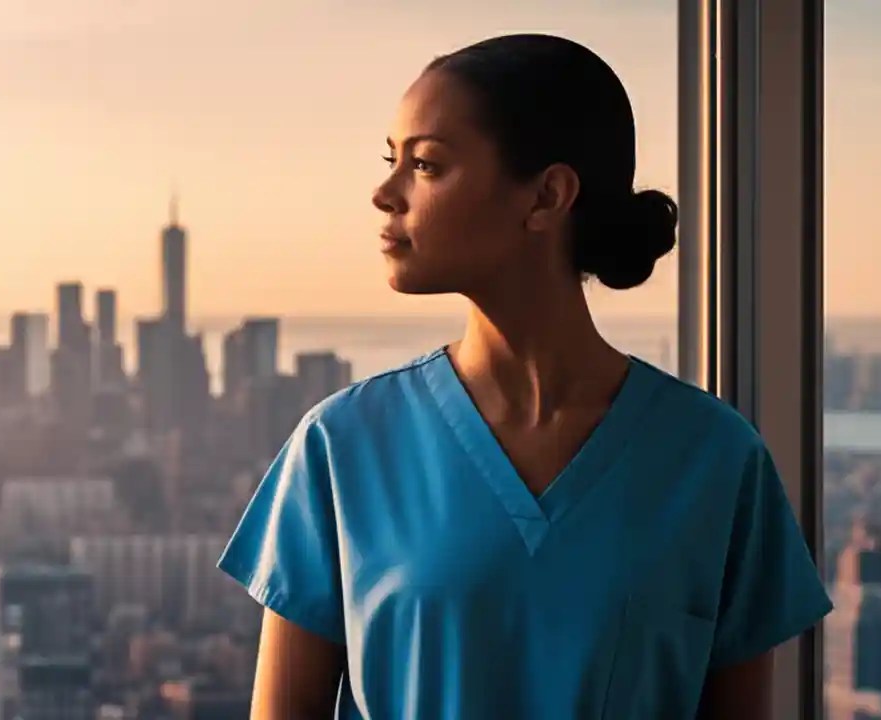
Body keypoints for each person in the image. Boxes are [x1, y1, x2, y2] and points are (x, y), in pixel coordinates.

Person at [215, 33, 833, 720]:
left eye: (425, 165)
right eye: (393, 161)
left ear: (546, 196)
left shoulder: (716, 459)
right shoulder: (342, 446)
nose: (384, 194)